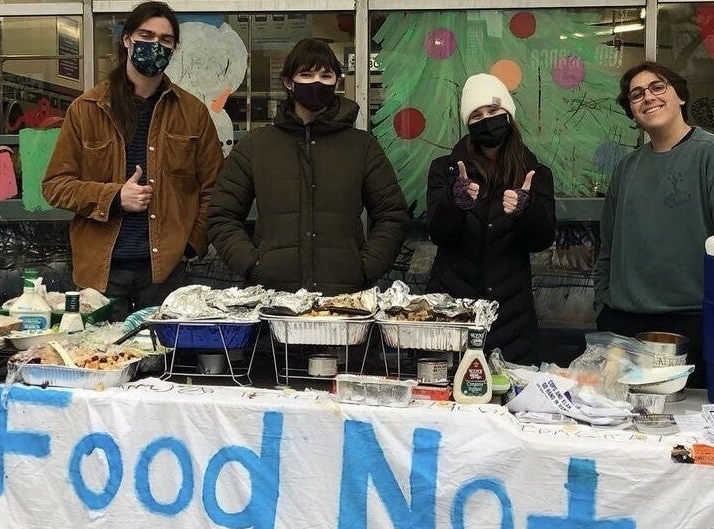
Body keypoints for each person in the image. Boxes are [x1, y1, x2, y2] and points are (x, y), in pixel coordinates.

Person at [42, 0, 224, 321]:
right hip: (101, 274)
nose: (155, 45)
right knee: (103, 363)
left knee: (165, 364)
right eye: (146, 35)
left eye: (165, 40)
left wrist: (191, 246)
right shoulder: (87, 109)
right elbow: (56, 186)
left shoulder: (192, 113)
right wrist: (114, 197)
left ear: (173, 49)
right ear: (127, 39)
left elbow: (214, 189)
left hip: (166, 274)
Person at [594, 62, 714, 386]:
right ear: (631, 111)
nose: (648, 98)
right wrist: (603, 308)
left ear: (680, 96)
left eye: (658, 87)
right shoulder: (626, 169)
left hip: (696, 324)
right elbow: (607, 249)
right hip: (624, 327)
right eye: (636, 94)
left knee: (691, 428)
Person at [206, 37, 408, 295]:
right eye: (306, 74)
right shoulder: (257, 146)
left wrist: (363, 269)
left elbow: (392, 215)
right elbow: (221, 215)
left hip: (344, 301)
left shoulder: (362, 146)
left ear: (337, 81)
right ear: (288, 82)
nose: (317, 82)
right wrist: (254, 267)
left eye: (326, 75)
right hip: (273, 298)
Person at [425, 73, 556, 366]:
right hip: (452, 313)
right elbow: (437, 233)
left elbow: (542, 239)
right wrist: (455, 204)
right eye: (477, 115)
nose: (487, 120)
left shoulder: (534, 173)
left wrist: (526, 210)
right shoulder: (445, 171)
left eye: (494, 111)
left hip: (511, 316)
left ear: (508, 114)